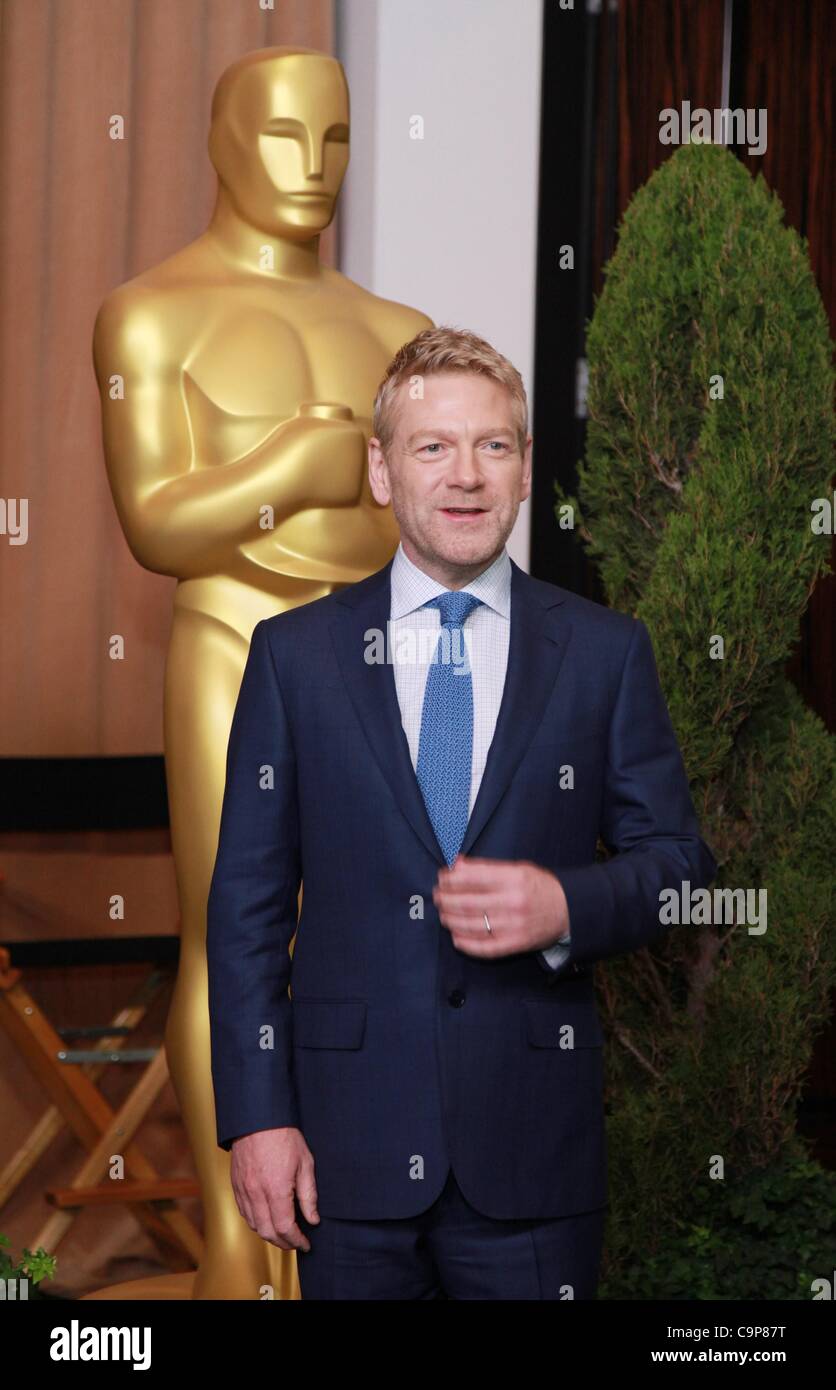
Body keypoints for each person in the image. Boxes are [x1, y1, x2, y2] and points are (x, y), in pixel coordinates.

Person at [206, 325, 717, 1300]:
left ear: (524, 471)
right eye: (432, 446)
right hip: (343, 1156)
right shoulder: (294, 656)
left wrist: (566, 904)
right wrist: (258, 1118)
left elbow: (679, 866)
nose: (466, 474)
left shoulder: (604, 655)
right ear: (381, 471)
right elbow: (245, 914)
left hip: (530, 1157)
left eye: (492, 446)